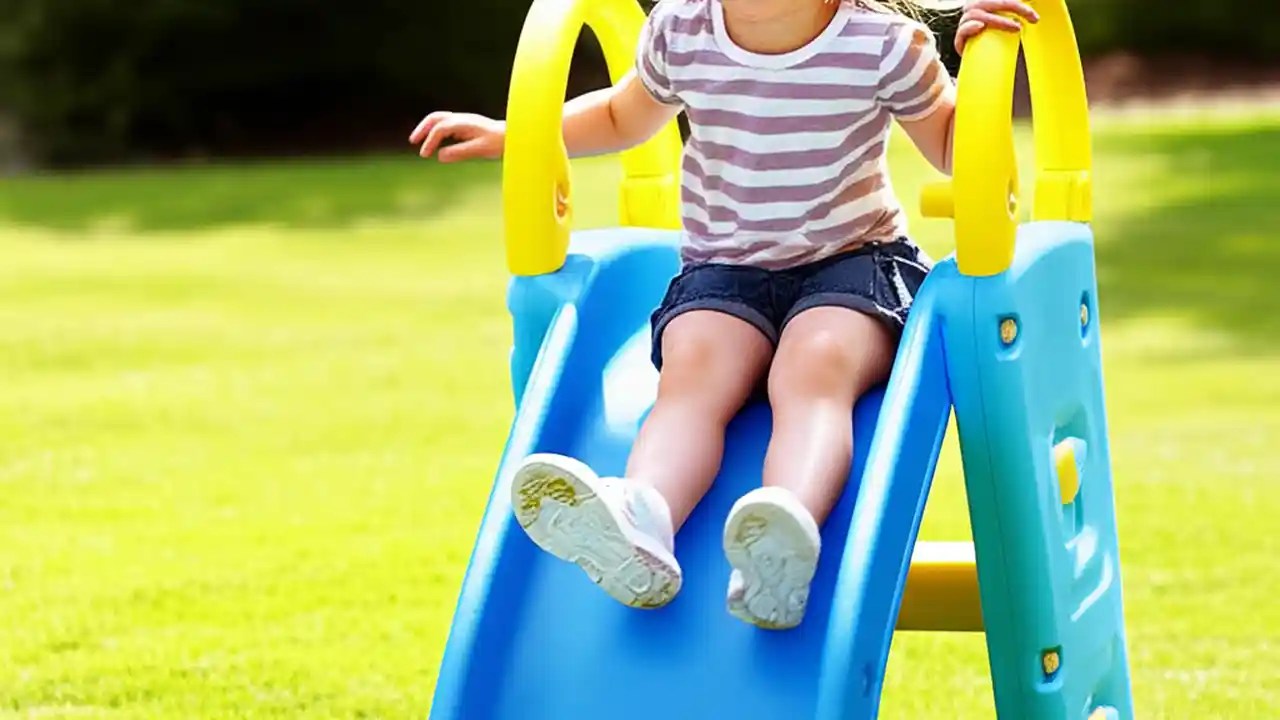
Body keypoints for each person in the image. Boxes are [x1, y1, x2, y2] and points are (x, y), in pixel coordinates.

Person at [411, 0, 1039, 629]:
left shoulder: (883, 43)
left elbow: (957, 149)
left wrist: (977, 64)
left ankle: (783, 530)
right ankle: (642, 521)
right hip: (726, 271)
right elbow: (617, 115)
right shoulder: (681, 31)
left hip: (853, 263)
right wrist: (517, 132)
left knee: (812, 368)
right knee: (693, 373)